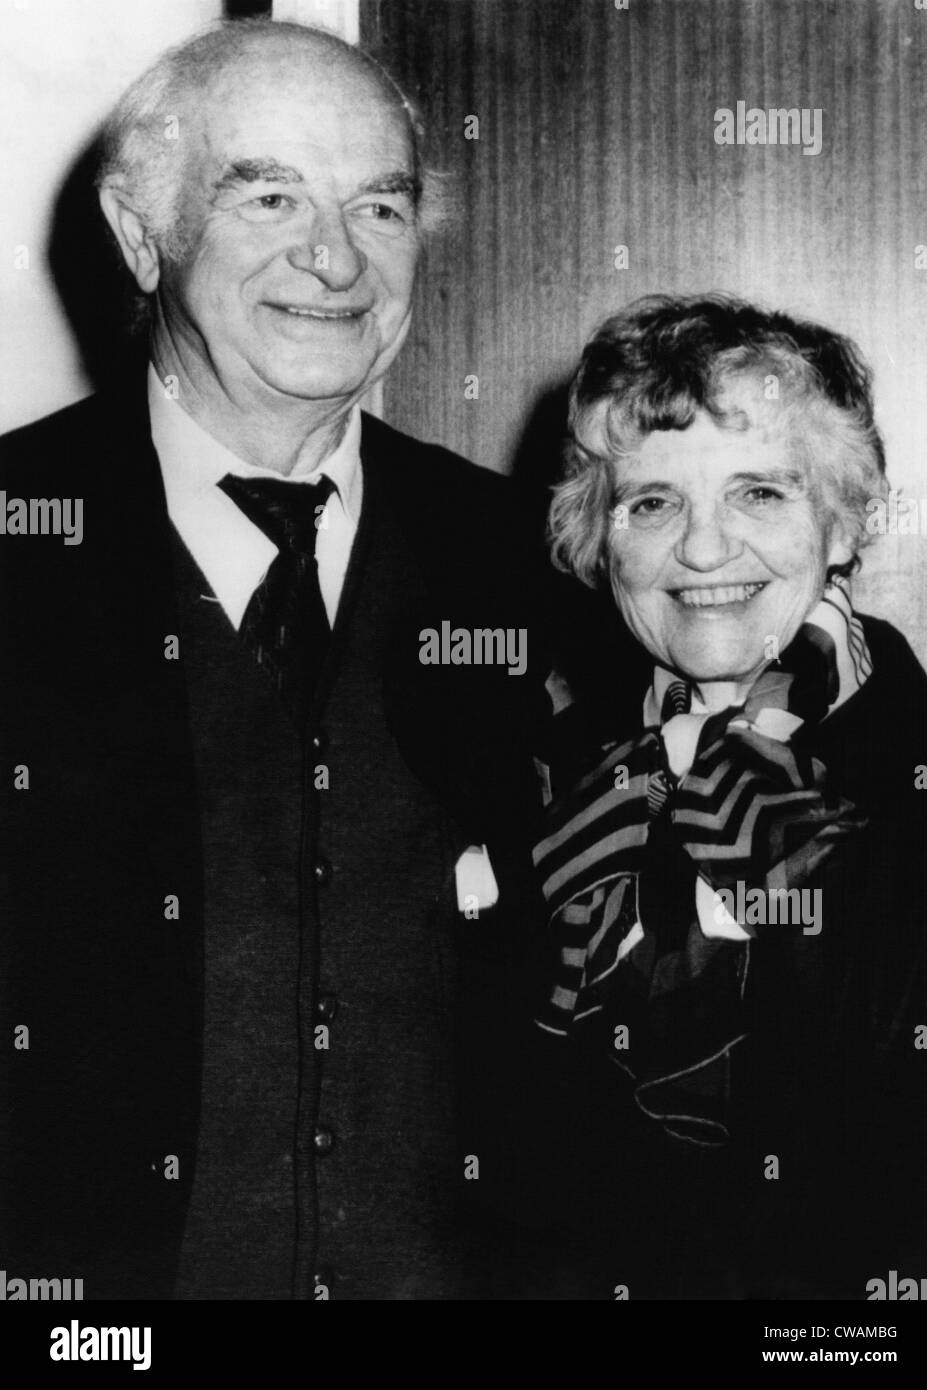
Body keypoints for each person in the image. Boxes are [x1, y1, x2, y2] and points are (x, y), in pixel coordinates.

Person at [0, 19, 548, 1301]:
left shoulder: (524, 559)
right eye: (269, 194)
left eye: (378, 204)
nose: (333, 257)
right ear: (144, 236)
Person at [526, 294, 927, 1299]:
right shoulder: (535, 779)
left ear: (842, 521)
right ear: (598, 538)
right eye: (652, 502)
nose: (703, 552)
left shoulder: (923, 797)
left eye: (758, 493)